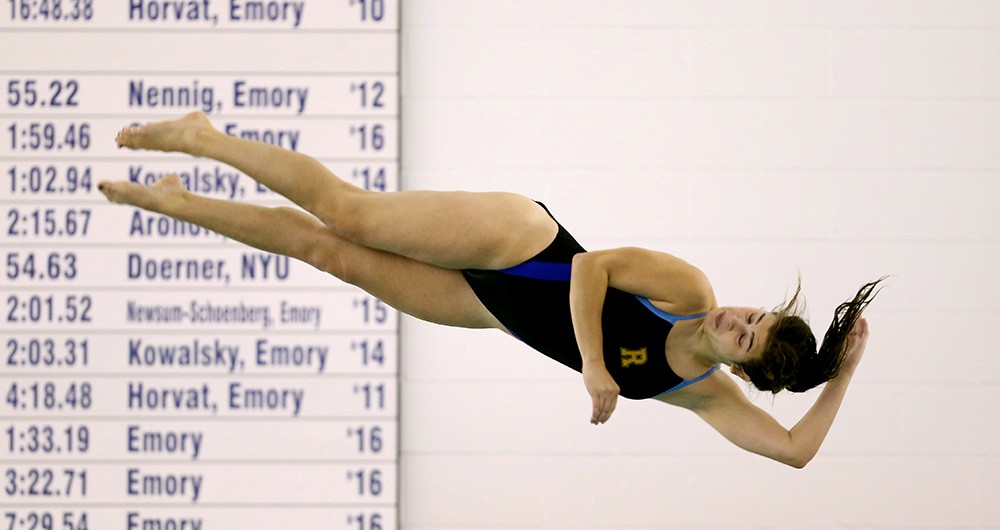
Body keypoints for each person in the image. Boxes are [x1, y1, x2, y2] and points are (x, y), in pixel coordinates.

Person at [99, 112, 882, 468]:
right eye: (755, 312)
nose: (733, 317)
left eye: (742, 335)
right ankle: (205, 139)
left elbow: (791, 452)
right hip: (522, 242)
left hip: (491, 309)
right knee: (349, 213)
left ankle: (178, 200)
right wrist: (596, 365)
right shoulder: (688, 288)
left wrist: (843, 371)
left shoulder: (707, 393)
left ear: (741, 369)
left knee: (329, 256)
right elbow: (590, 269)